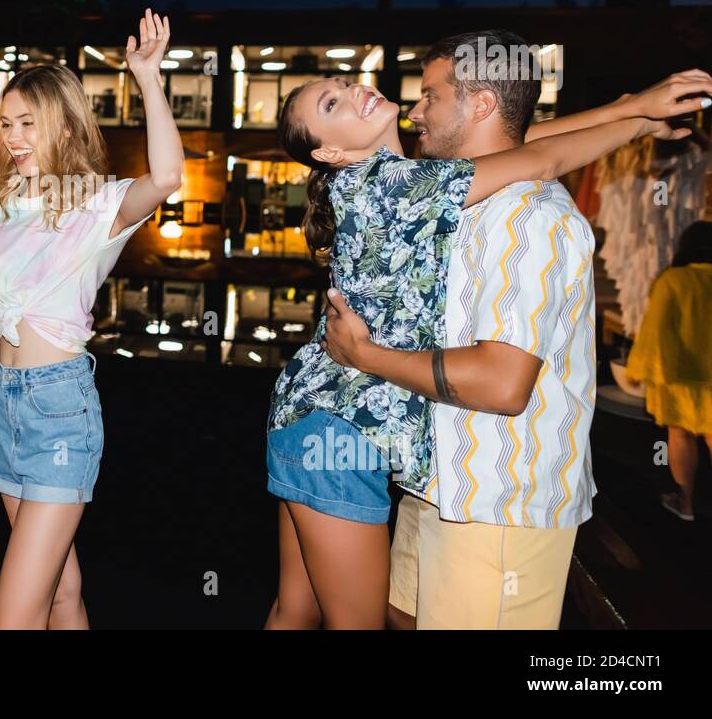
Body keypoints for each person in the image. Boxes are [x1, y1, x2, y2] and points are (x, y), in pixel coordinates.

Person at [264, 31, 709, 630]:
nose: (357, 91)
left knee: (297, 609)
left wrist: (633, 107)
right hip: (338, 428)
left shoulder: (413, 179)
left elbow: (523, 140)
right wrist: (635, 119)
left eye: (343, 85)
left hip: (313, 418)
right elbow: (538, 157)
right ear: (330, 153)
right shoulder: (395, 187)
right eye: (332, 105)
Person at [0, 10, 183, 628]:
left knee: (15, 614)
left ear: (64, 124)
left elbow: (166, 177)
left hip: (61, 414)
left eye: (29, 122)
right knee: (60, 593)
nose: (15, 137)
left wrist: (148, 79)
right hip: (5, 410)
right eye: (6, 124)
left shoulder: (98, 203)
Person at [626, 220, 712, 522]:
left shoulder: (673, 281)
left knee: (681, 436)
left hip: (680, 378)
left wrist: (637, 369)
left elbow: (655, 330)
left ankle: (685, 503)